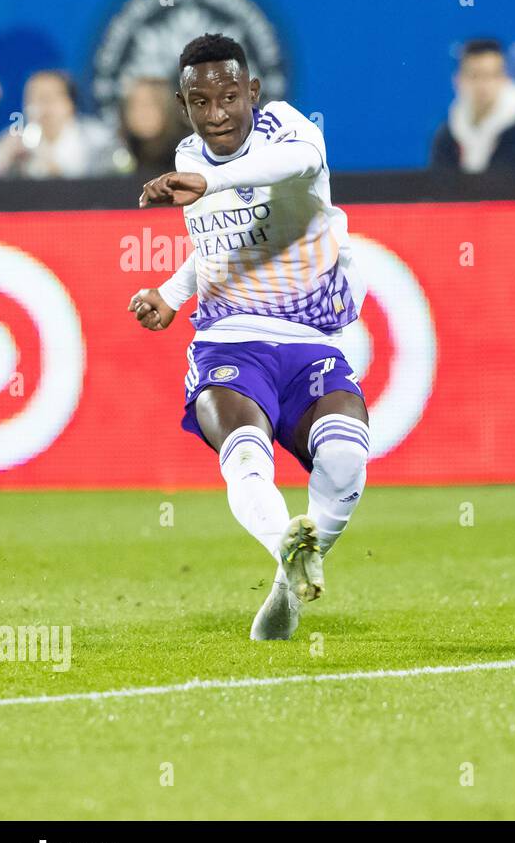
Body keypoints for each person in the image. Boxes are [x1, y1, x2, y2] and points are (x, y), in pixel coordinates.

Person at [127, 33, 369, 641]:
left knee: (344, 458)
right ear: (184, 106)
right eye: (201, 103)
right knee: (243, 445)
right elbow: (216, 246)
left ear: (253, 92)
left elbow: (300, 168)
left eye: (230, 97)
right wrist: (170, 294)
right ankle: (282, 543)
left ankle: (289, 585)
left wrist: (211, 183)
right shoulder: (188, 156)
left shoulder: (288, 130)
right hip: (228, 340)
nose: (218, 115)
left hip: (311, 338)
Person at [0, 69, 119, 179]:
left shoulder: (97, 138)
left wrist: (55, 169)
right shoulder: (17, 137)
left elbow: (111, 179)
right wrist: (2, 158)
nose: (42, 107)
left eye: (49, 97)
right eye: (34, 99)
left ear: (70, 103)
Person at [430, 38, 515, 172]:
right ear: (458, 80)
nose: (482, 85)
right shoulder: (447, 133)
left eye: (491, 75)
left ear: (505, 78)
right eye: (474, 75)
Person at [114, 76, 191, 175]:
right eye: (134, 107)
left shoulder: (191, 150)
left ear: (167, 108)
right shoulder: (124, 151)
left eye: (148, 105)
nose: (141, 114)